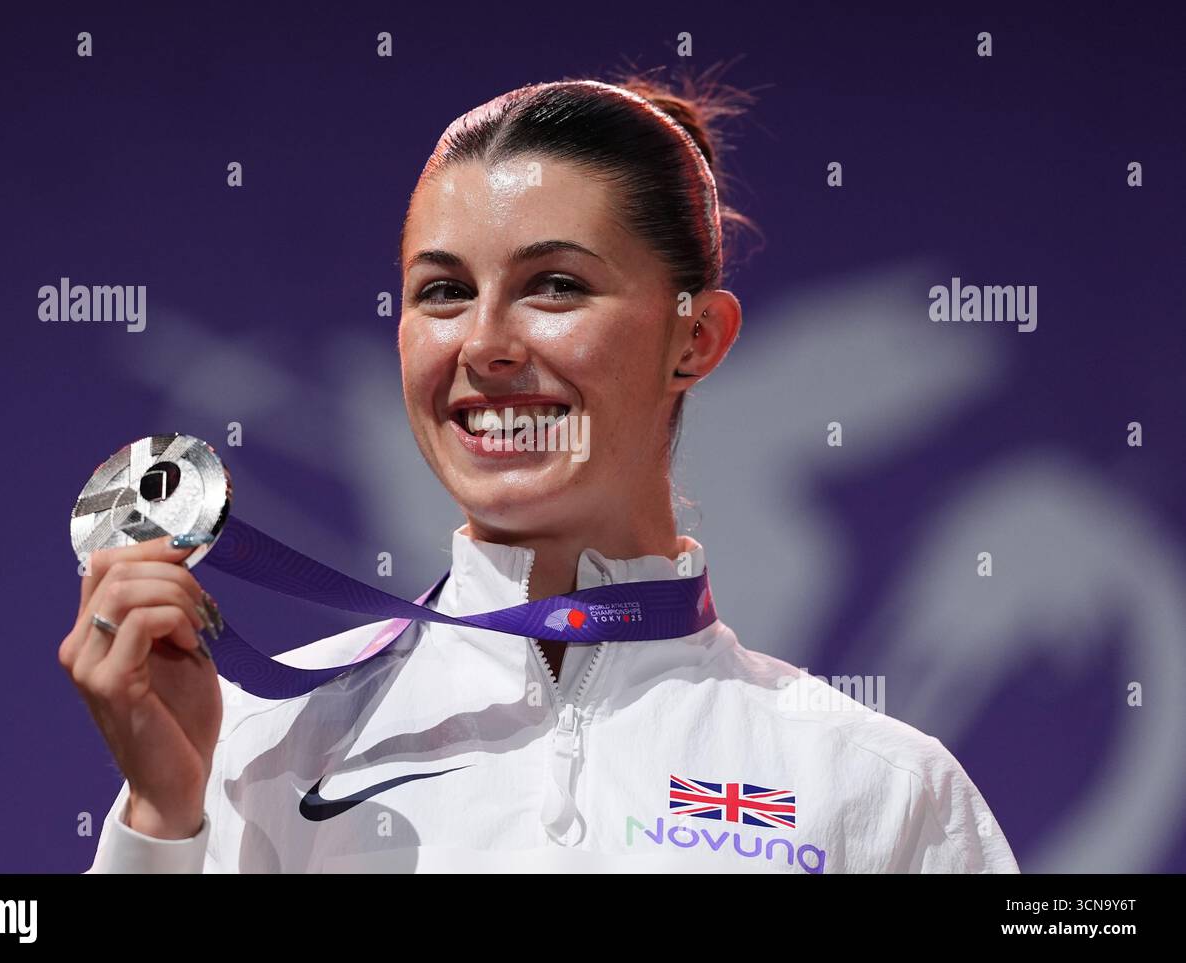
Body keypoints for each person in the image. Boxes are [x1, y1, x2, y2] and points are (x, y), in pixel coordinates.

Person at [60, 72, 1020, 873]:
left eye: (554, 284)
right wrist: (162, 814)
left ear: (696, 336)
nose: (484, 343)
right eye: (442, 291)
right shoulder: (259, 743)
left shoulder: (880, 788)